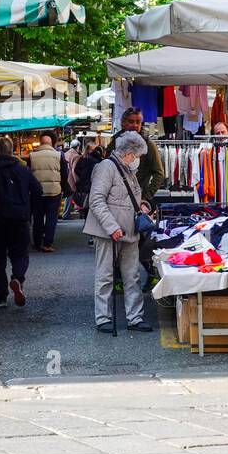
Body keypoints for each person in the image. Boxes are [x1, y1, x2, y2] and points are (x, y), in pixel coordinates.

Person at [84, 131, 152, 333]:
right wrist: (112, 226)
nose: (138, 160)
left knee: (132, 276)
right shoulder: (106, 167)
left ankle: (135, 318)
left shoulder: (128, 170)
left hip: (129, 232)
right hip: (108, 233)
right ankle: (103, 318)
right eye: (137, 156)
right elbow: (96, 200)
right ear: (129, 154)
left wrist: (143, 205)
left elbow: (130, 197)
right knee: (105, 276)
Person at [0, 137, 43, 309]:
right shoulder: (22, 169)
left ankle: (1, 297)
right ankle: (17, 278)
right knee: (20, 254)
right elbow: (37, 190)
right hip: (19, 219)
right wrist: (28, 209)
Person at [108, 108, 165, 288]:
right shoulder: (114, 143)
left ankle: (152, 274)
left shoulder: (148, 145)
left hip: (140, 203)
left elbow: (159, 173)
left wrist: (145, 197)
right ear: (123, 122)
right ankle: (118, 280)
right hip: (117, 201)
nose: (134, 125)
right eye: (131, 121)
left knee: (141, 243)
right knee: (117, 241)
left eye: (137, 122)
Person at [27, 133, 69, 252]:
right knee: (51, 218)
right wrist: (62, 186)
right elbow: (65, 173)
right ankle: (47, 244)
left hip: (37, 192)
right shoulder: (59, 155)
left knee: (38, 218)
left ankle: (37, 242)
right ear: (52, 143)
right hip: (54, 191)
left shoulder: (32, 156)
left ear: (40, 142)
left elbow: (28, 174)